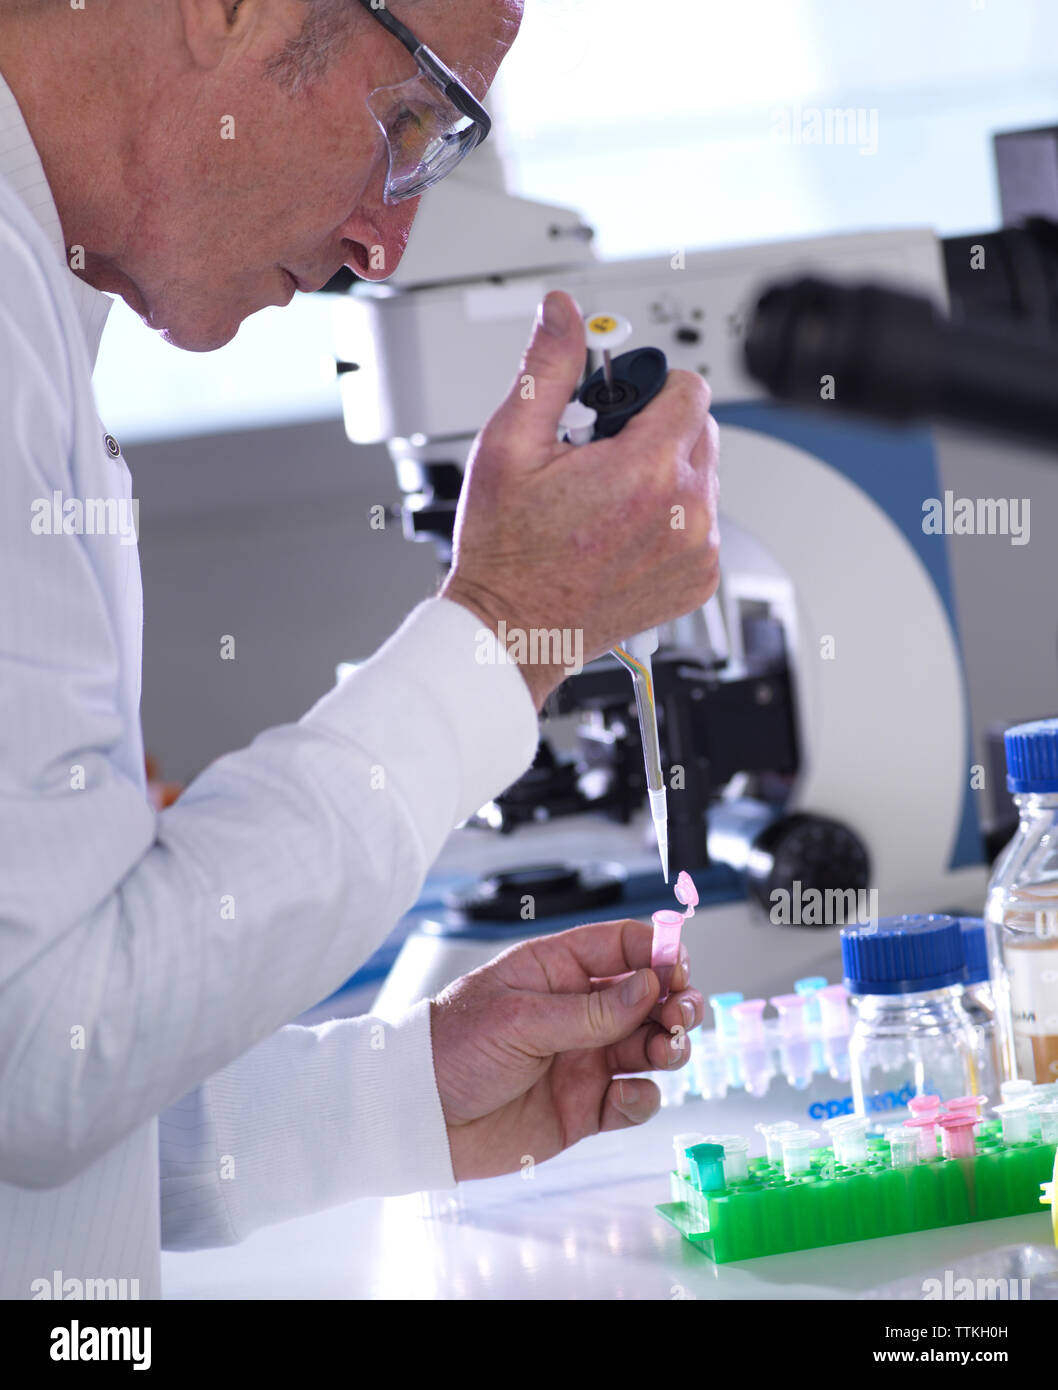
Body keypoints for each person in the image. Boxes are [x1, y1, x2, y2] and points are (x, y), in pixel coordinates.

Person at [0, 0, 720, 1298]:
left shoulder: (40, 291)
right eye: (402, 123)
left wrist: (401, 1095)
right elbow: (49, 1048)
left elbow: (31, 1098)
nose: (381, 246)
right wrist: (505, 629)